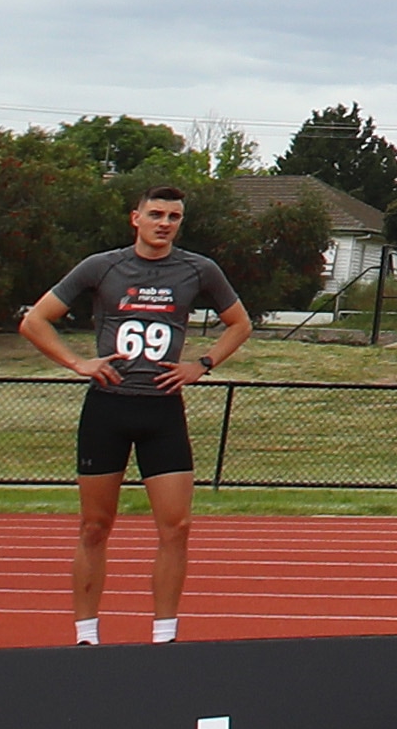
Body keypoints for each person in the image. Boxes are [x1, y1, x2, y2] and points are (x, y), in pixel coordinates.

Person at [17, 180, 253, 646]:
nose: (164, 224)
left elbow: (240, 323)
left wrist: (201, 365)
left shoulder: (198, 269)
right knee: (94, 526)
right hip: (108, 406)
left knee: (176, 526)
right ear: (136, 218)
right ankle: (87, 634)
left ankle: (164, 635)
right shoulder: (102, 267)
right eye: (157, 215)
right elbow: (34, 320)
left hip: (162, 410)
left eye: (174, 217)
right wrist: (77, 362)